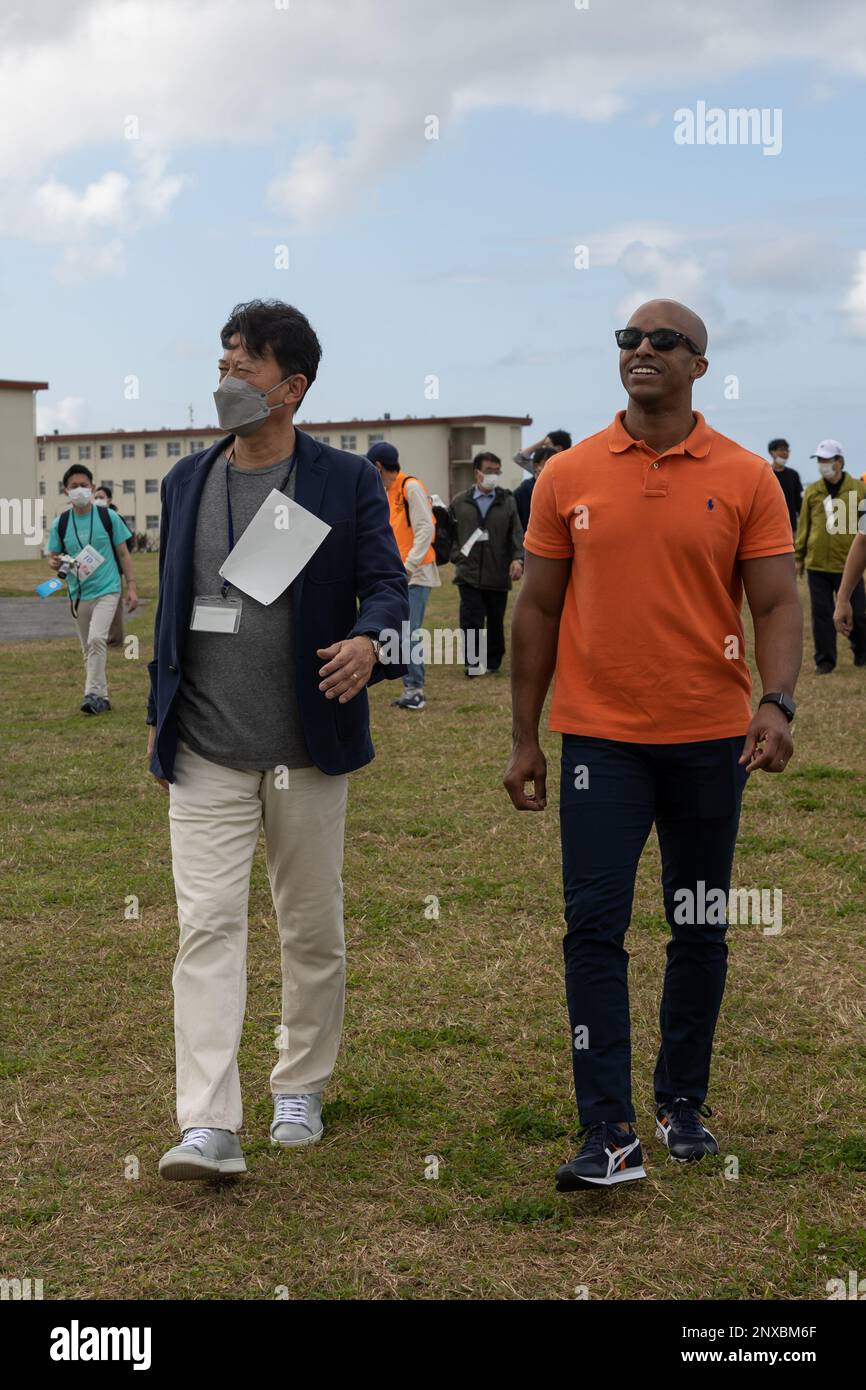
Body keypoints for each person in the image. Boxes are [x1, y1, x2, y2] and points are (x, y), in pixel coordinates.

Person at [504, 299, 801, 1191]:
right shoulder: (568, 473)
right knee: (593, 928)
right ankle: (609, 1131)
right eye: (629, 339)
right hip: (601, 741)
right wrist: (525, 736)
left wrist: (777, 702)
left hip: (712, 738)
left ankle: (682, 1104)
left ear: (699, 365)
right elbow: (539, 608)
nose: (642, 351)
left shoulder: (747, 476)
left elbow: (780, 603)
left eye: (664, 341)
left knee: (699, 926)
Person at [149, 300, 408, 1181]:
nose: (228, 375)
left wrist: (372, 639)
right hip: (205, 750)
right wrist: (161, 722)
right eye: (224, 357)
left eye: (248, 363)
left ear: (291, 388)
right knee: (207, 927)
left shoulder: (339, 482)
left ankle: (301, 1083)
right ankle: (209, 1124)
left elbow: (385, 585)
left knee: (309, 926)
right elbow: (175, 611)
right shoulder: (188, 479)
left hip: (305, 749)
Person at [46, 465, 139, 714]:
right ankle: (102, 697)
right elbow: (53, 557)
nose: (79, 490)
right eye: (74, 486)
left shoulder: (109, 518)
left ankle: (91, 694)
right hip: (78, 593)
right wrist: (54, 562)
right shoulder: (61, 523)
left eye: (83, 485)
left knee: (98, 638)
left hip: (108, 589)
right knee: (88, 648)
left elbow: (123, 553)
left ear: (93, 487)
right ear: (66, 490)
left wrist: (131, 587)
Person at [368, 440, 440, 710]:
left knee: (409, 632)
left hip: (416, 573)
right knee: (401, 631)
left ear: (377, 466)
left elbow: (425, 530)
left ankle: (415, 690)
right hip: (401, 573)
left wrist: (408, 567)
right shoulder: (389, 492)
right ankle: (411, 688)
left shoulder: (410, 487)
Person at [449, 452, 524, 677]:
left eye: (496, 471)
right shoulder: (460, 502)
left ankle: (492, 662)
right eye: (489, 471)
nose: (493, 476)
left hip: (497, 572)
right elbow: (449, 533)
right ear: (477, 473)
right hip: (468, 573)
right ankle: (473, 663)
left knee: (494, 619)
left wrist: (517, 558)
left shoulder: (507, 501)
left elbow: (516, 533)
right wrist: (456, 555)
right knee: (470, 620)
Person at [794, 440, 866, 673]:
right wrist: (799, 556)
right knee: (822, 615)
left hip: (848, 562)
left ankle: (862, 652)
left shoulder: (859, 488)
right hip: (818, 564)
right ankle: (825, 661)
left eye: (827, 460)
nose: (823, 465)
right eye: (820, 460)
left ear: (840, 462)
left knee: (860, 613)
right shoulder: (813, 491)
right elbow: (804, 525)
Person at [94, 485, 126, 649]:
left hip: (113, 568)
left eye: (101, 496)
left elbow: (125, 546)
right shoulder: (93, 518)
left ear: (109, 499)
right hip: (95, 570)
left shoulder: (115, 518)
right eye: (96, 496)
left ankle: (114, 640)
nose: (98, 499)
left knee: (114, 607)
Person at [513, 445, 555, 532]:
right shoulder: (522, 492)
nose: (553, 467)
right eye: (548, 463)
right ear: (536, 466)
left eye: (556, 463)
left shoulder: (559, 490)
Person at [767, 438, 802, 536]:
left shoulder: (793, 475)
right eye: (782, 450)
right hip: (770, 526)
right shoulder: (766, 473)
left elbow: (799, 503)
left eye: (787, 450)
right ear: (772, 452)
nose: (785, 453)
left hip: (791, 526)